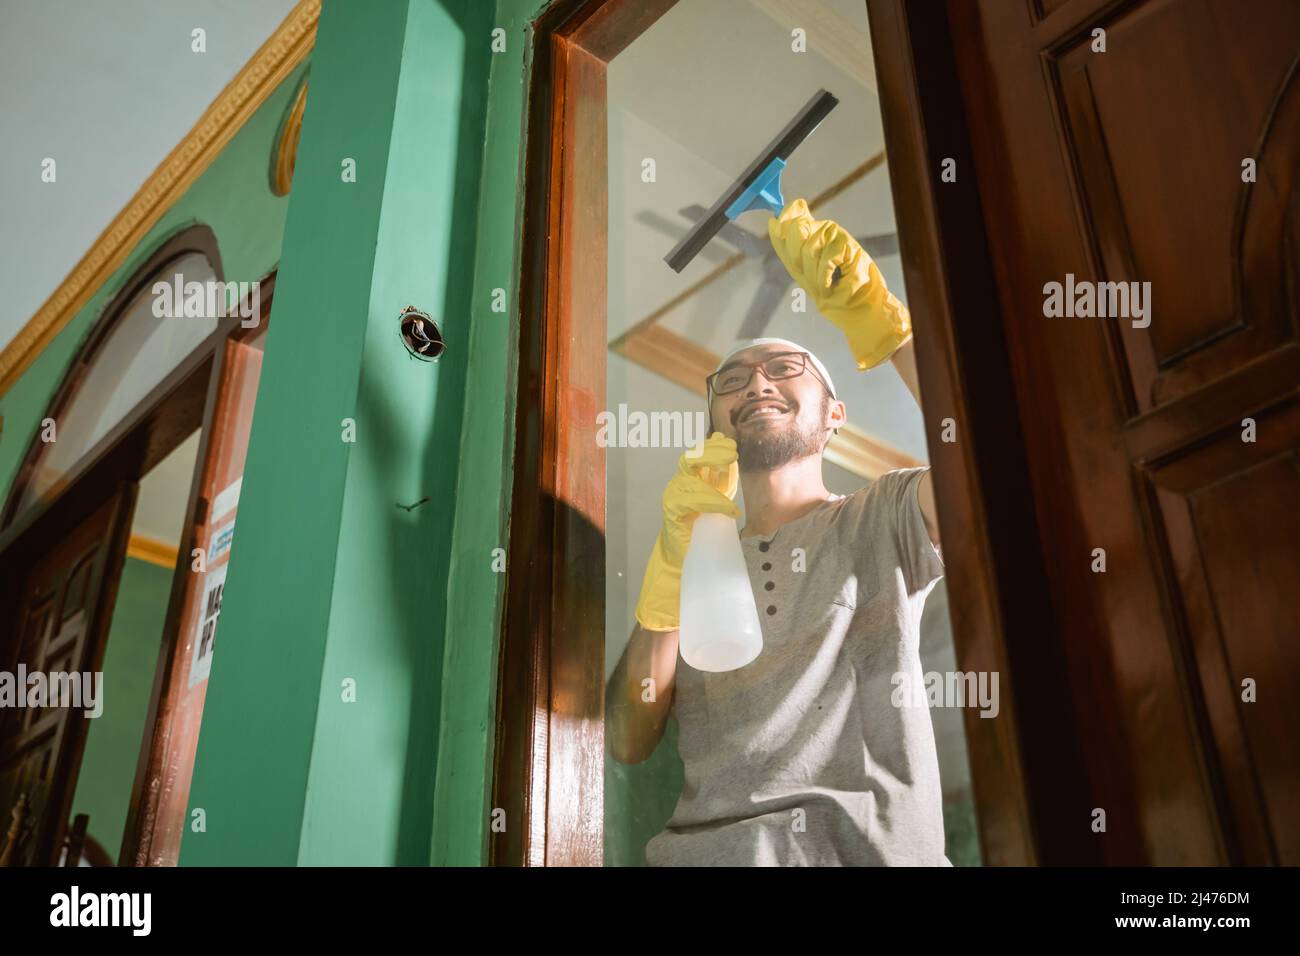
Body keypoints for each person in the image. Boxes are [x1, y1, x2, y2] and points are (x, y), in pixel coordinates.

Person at [606, 199, 950, 866]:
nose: (756, 381)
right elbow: (626, 735)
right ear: (717, 428)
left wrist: (889, 334)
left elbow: (985, 469)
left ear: (834, 417)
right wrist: (669, 571)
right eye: (731, 381)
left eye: (784, 369)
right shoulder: (692, 561)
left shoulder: (884, 513)